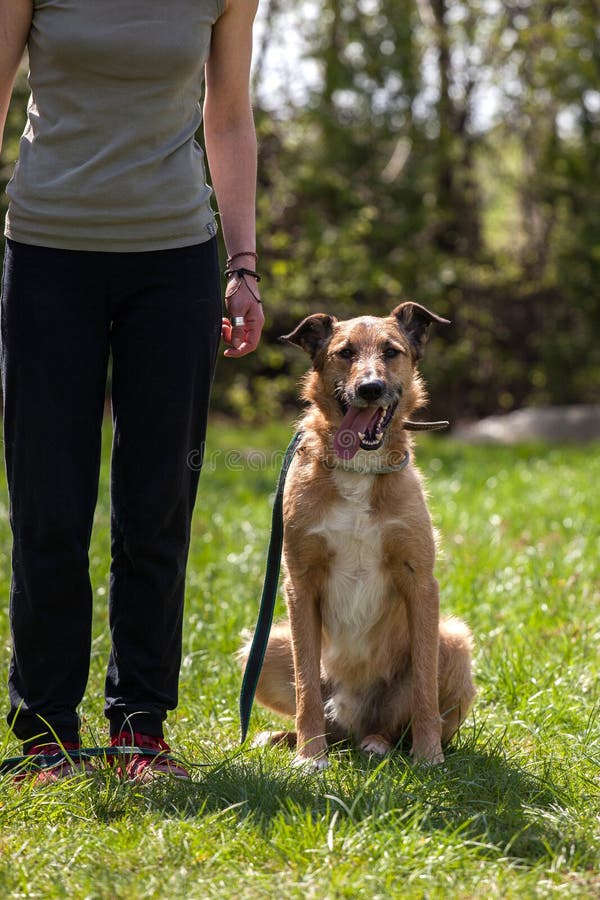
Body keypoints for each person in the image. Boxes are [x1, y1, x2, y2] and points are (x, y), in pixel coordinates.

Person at [0, 0, 264, 782]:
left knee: (158, 504)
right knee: (49, 501)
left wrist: (242, 264)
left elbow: (229, 118)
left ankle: (139, 729)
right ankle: (46, 731)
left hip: (174, 259)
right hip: (46, 251)